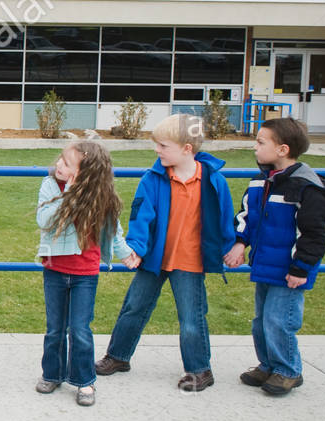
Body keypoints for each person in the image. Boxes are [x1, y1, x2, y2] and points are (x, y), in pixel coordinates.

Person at [94, 114, 238, 392]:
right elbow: (141, 216)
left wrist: (229, 247)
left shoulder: (213, 180)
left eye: (163, 146)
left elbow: (224, 216)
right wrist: (136, 249)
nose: (157, 151)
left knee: (191, 318)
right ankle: (118, 356)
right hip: (154, 259)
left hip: (191, 262)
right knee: (133, 308)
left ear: (187, 148)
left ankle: (199, 370)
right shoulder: (152, 179)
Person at [224, 117, 325, 396]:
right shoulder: (260, 182)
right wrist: (240, 243)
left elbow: (314, 234)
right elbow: (246, 217)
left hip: (290, 271)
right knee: (261, 320)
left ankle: (288, 370)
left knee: (280, 320)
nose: (255, 147)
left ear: (283, 149)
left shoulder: (306, 188)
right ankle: (268, 365)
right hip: (265, 266)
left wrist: (300, 268)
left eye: (261, 142)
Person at [35, 141, 135, 406]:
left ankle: (84, 380)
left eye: (67, 164)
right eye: (60, 159)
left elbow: (113, 229)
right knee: (55, 328)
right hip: (54, 270)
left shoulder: (100, 195)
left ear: (86, 174)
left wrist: (125, 253)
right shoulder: (50, 186)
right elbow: (45, 220)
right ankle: (52, 373)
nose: (59, 165)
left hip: (85, 274)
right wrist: (70, 191)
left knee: (79, 329)